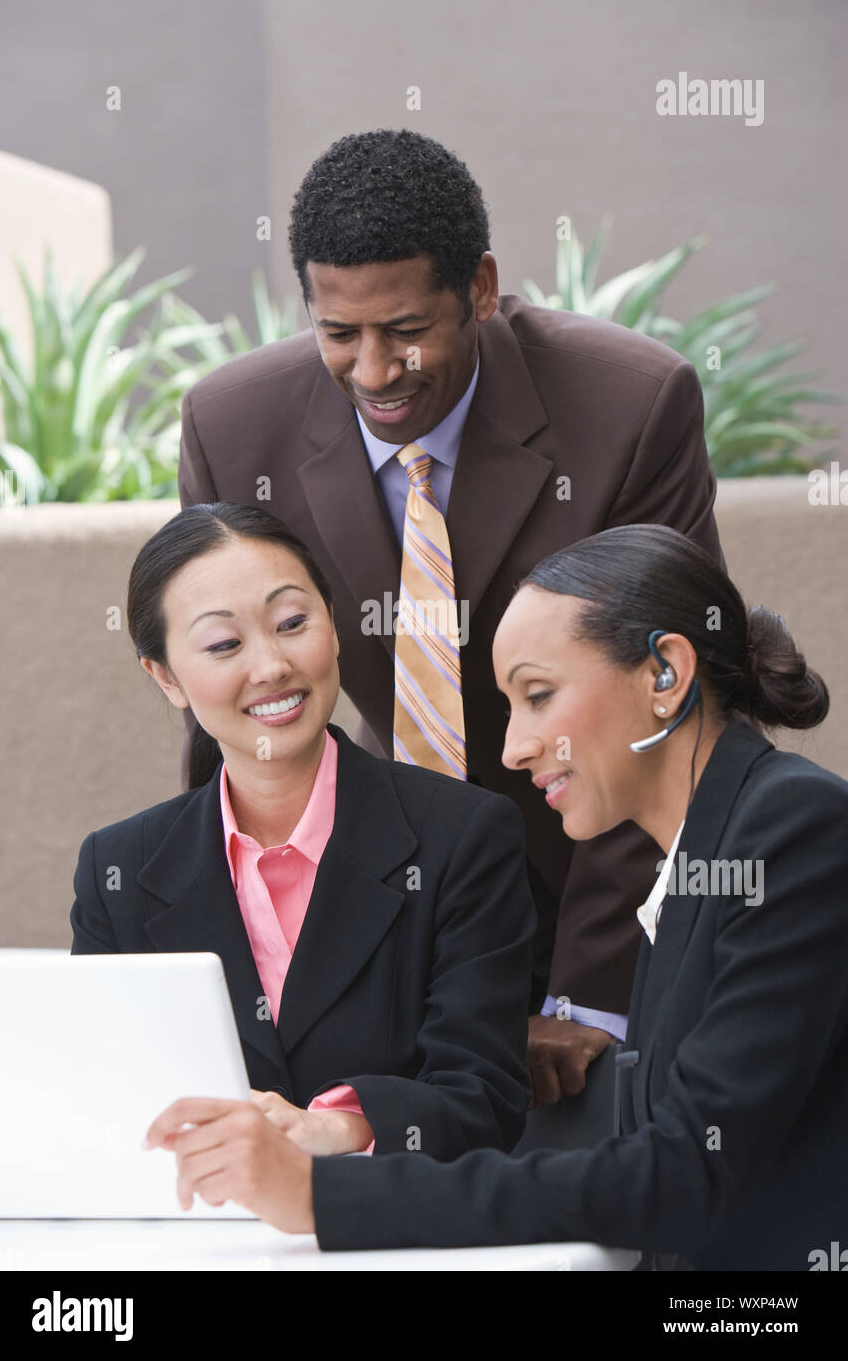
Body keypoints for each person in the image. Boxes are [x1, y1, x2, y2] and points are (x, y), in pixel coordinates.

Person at [177, 128, 725, 1100]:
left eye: (405, 328)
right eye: (339, 333)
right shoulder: (235, 426)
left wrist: (587, 998)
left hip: (602, 886)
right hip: (395, 895)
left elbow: (663, 710)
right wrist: (224, 973)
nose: (375, 371)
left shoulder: (629, 406)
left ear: (479, 287)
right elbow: (224, 709)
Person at [145, 525, 848, 1271]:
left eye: (538, 696)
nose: (514, 749)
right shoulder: (700, 853)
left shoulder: (789, 829)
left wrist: (325, 1197)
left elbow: (682, 1174)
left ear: (664, 675)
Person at [70, 502, 535, 1161]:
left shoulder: (463, 838)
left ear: (334, 625)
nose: (271, 666)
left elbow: (484, 1096)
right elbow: (97, 1098)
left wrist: (338, 1127)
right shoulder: (117, 870)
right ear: (167, 677)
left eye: (292, 623)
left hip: (395, 1245)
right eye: (224, 645)